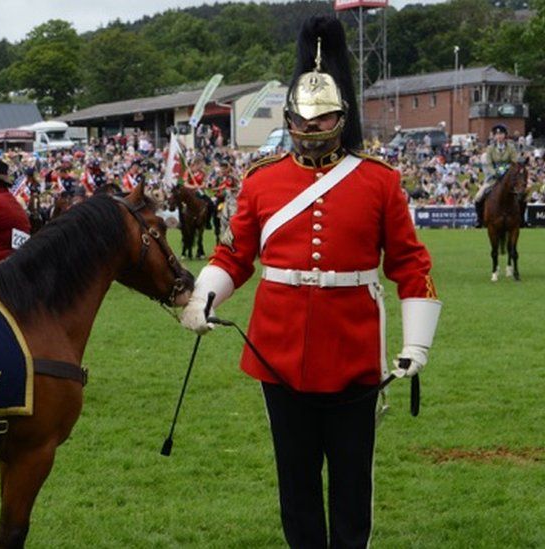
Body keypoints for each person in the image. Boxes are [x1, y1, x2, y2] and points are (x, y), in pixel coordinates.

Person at [180, 16, 442, 549]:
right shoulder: (262, 181)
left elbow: (411, 264)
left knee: (351, 486)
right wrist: (204, 295)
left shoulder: (379, 181)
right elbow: (235, 254)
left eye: (323, 120)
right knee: (295, 486)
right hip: (278, 354)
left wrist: (417, 342)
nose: (312, 128)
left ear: (341, 119)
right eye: (303, 119)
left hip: (353, 354)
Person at [474, 124, 520, 228]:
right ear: (494, 136)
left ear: (505, 135)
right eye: (497, 134)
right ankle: (479, 219)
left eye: (501, 134)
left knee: (521, 196)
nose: (499, 136)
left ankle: (521, 218)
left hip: (508, 177)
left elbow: (514, 162)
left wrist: (506, 170)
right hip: (493, 178)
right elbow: (489, 164)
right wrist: (495, 173)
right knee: (478, 197)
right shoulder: (490, 149)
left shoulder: (511, 148)